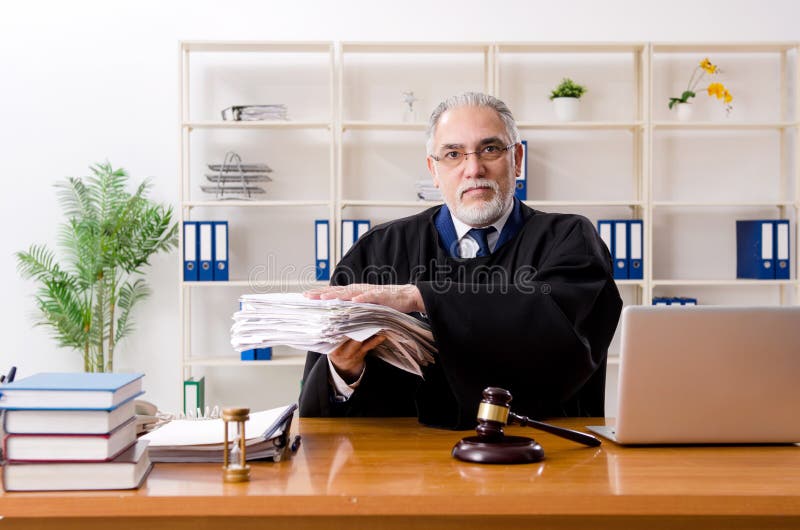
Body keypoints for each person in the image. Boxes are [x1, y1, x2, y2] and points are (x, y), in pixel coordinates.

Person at [299, 92, 622, 430]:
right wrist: (344, 371)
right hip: (405, 468)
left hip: (541, 455)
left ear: (517, 160)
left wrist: (418, 297)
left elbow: (561, 333)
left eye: (491, 149)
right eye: (453, 154)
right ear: (433, 170)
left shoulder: (569, 240)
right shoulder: (377, 252)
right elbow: (320, 403)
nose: (473, 169)